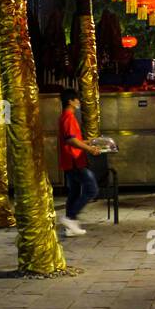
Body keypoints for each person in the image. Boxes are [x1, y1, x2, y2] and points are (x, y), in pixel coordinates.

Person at [58, 90, 101, 237]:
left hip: (69, 160)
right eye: (77, 100)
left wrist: (88, 142)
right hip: (75, 160)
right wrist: (89, 148)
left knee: (74, 192)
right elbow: (71, 140)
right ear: (70, 101)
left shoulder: (64, 116)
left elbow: (71, 139)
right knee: (92, 190)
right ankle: (70, 218)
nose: (79, 102)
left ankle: (70, 226)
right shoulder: (69, 117)